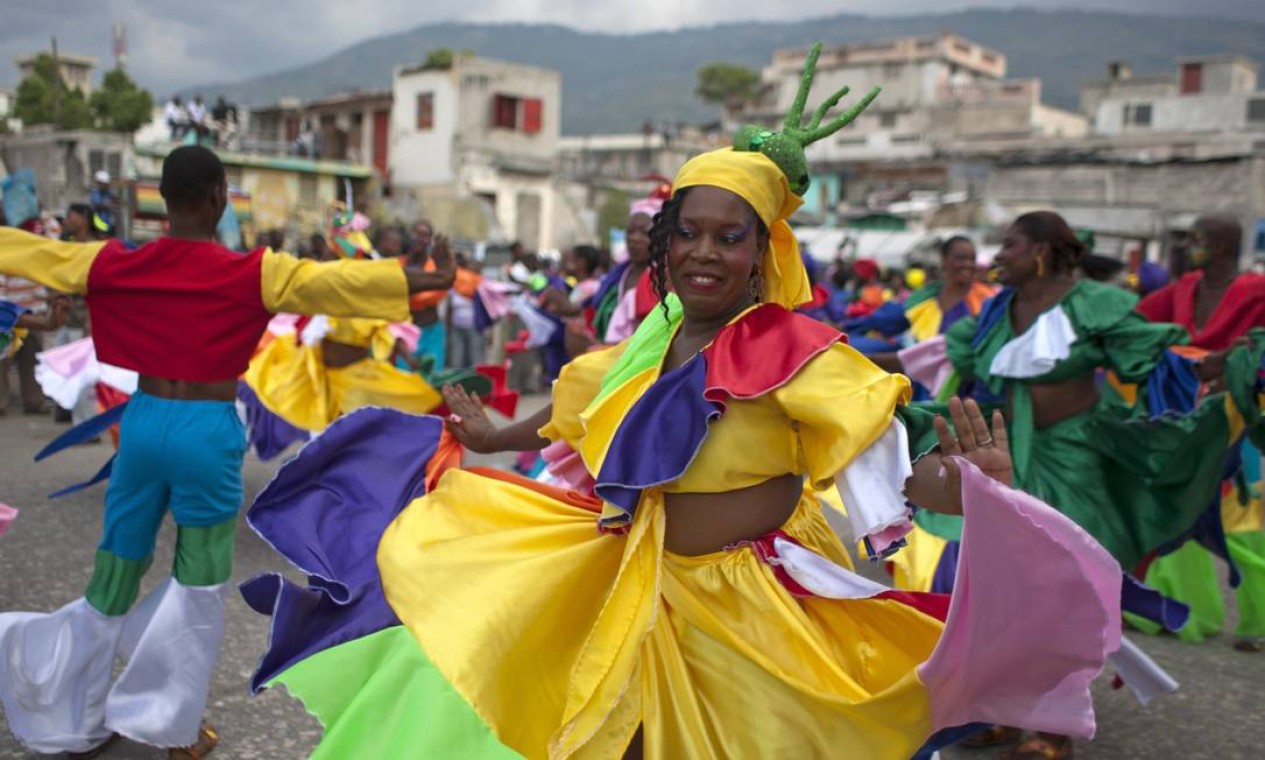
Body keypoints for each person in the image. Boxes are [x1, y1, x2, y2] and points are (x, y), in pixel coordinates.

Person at [239, 50, 1125, 759]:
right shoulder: (647, 344)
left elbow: (895, 468)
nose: (704, 254)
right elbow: (575, 412)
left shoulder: (800, 354)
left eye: (727, 238)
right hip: (623, 577)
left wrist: (971, 484)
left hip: (737, 607)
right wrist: (489, 432)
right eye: (686, 234)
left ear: (760, 252)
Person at [0, 145, 456, 759]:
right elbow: (328, 282)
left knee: (116, 566)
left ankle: (75, 720)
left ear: (162, 199)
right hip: (206, 429)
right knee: (198, 579)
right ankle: (173, 731)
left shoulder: (112, 261)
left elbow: (43, 257)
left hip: (142, 424)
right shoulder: (254, 272)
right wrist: (417, 278)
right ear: (219, 196)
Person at [871, 210, 1261, 758]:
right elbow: (926, 354)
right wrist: (840, 355)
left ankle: (1050, 728)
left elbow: (1161, 361)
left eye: (1008, 245)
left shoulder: (1093, 305)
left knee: (1060, 589)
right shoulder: (996, 313)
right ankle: (1002, 709)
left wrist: (1231, 362)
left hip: (1078, 463)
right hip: (1009, 460)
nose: (996, 256)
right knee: (997, 585)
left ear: (1042, 251)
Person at [1134, 215, 1265, 651]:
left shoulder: (1255, 290)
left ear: (1223, 247)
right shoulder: (1185, 287)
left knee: (1237, 516)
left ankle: (1259, 619)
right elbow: (1137, 323)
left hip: (1237, 415)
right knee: (1176, 504)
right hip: (1181, 412)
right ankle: (1179, 610)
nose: (1190, 246)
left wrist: (1234, 361)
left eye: (1198, 240)